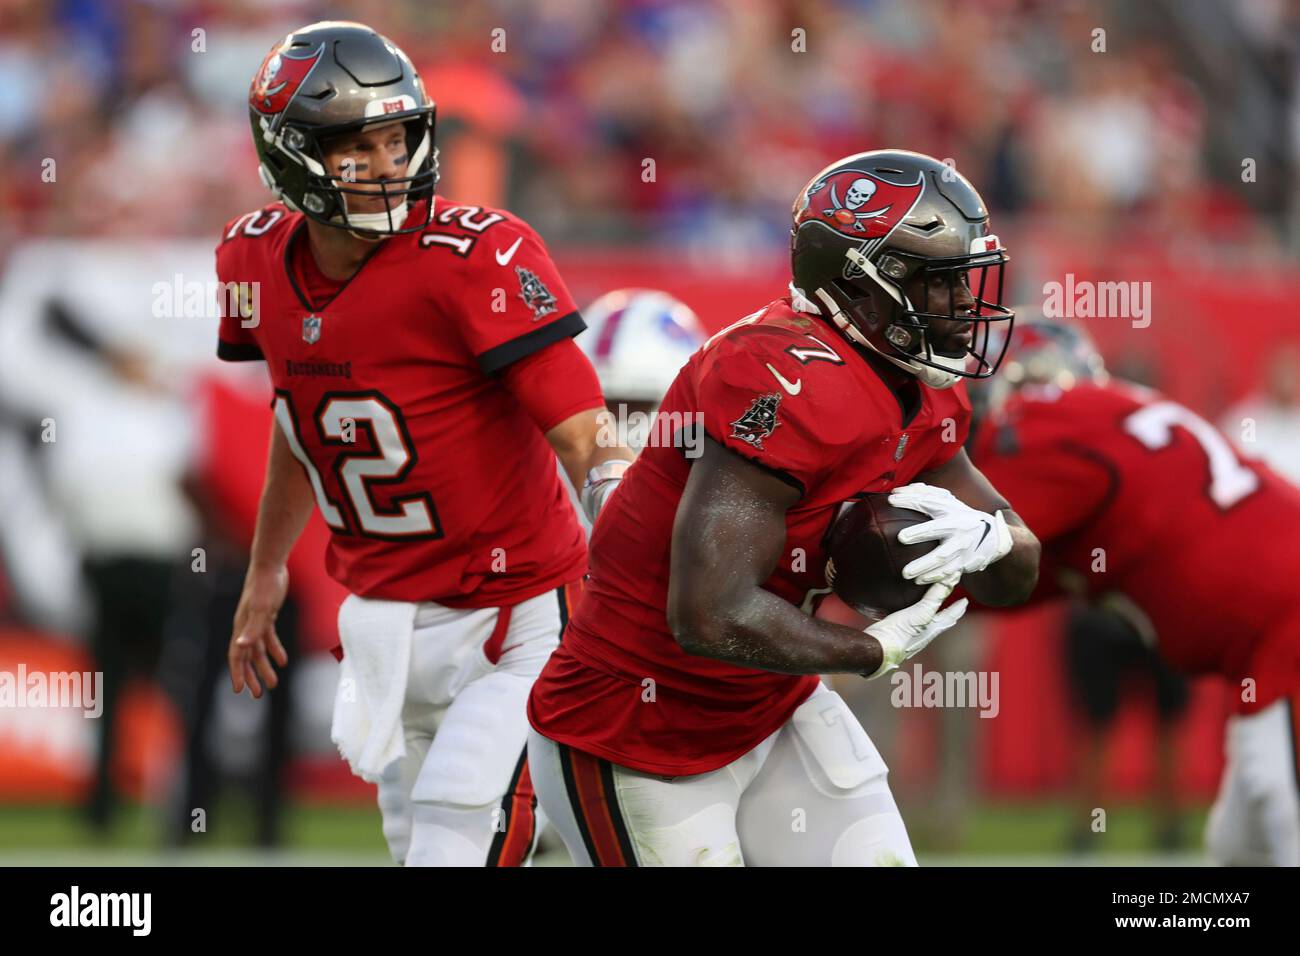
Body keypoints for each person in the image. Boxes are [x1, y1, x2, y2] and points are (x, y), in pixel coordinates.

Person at [527, 150, 1040, 866]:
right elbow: (708, 613)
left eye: (965, 281)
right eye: (938, 284)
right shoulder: (774, 377)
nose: (963, 308)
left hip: (771, 706)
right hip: (635, 727)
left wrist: (989, 540)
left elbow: (1021, 563)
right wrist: (871, 650)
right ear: (860, 284)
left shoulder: (924, 384)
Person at [215, 21, 631, 866]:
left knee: (456, 835)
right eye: (355, 146)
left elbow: (587, 433)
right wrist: (264, 568)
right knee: (434, 848)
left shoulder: (473, 255)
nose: (387, 163)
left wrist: (632, 538)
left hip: (518, 616)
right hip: (390, 625)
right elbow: (302, 422)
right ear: (292, 153)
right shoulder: (251, 260)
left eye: (396, 137)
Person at [968, 319, 1300, 866]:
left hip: (1286, 642)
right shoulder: (1114, 418)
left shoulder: (1047, 423)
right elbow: (1009, 584)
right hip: (1267, 653)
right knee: (1241, 852)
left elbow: (972, 554)